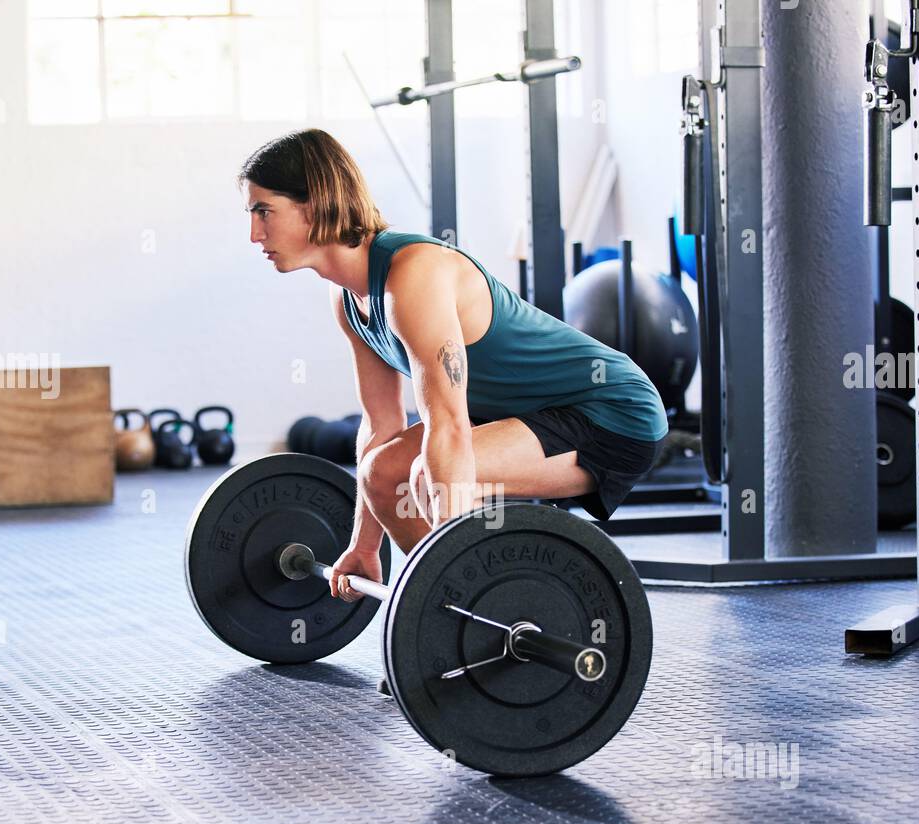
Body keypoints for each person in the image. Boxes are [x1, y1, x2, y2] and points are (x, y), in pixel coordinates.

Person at [239, 129, 668, 604]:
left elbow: (448, 427)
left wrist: (449, 555)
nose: (255, 233)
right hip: (526, 417)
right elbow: (380, 425)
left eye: (264, 211)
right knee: (382, 472)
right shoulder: (348, 301)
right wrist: (364, 545)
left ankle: (458, 607)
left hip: (611, 413)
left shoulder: (413, 273)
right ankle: (452, 609)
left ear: (315, 203)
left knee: (430, 473)